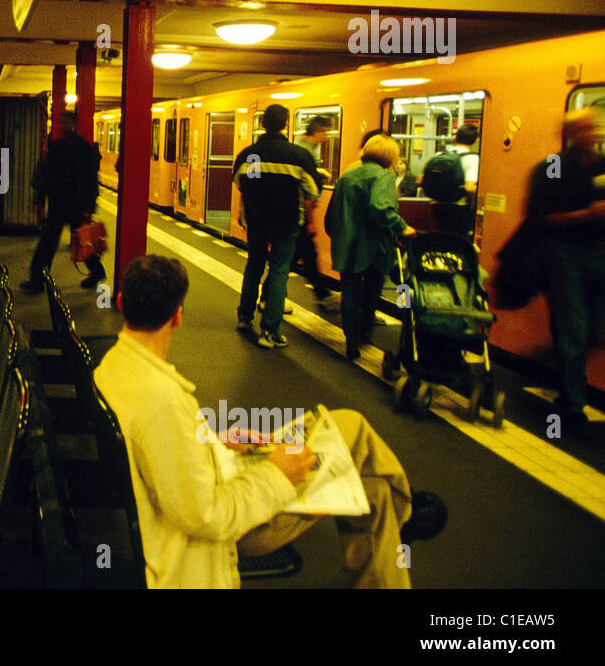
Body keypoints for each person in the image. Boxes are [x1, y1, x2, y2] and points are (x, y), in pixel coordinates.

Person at [92, 255, 444, 589]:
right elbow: (208, 516)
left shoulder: (114, 366)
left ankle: (399, 511)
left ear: (122, 301)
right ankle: (407, 509)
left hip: (211, 490)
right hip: (233, 528)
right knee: (349, 426)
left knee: (375, 493)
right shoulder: (163, 400)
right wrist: (277, 473)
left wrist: (213, 440)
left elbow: (166, 453)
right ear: (178, 316)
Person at [526, 106, 605, 437]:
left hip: (600, 254)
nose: (593, 134)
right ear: (572, 133)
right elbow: (541, 217)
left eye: (595, 128)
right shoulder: (554, 167)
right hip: (565, 256)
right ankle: (571, 406)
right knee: (573, 329)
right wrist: (587, 215)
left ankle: (559, 355)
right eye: (585, 129)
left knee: (596, 330)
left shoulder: (603, 164)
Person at [232, 104, 321, 348]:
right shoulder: (299, 156)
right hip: (287, 222)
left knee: (254, 266)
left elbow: (240, 182)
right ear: (286, 125)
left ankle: (244, 316)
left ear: (262, 124)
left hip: (257, 220)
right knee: (280, 270)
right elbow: (312, 191)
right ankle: (270, 331)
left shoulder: (249, 154)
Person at [326, 135, 416, 361]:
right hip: (374, 247)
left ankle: (351, 341)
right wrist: (402, 228)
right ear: (389, 156)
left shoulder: (346, 176)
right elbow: (380, 208)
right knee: (372, 290)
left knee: (349, 293)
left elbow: (331, 215)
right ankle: (364, 331)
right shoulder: (383, 177)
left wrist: (338, 235)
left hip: (347, 244)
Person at [22, 111, 105, 291]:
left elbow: (88, 179)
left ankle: (37, 280)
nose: (63, 126)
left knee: (50, 243)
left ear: (74, 124)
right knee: (68, 241)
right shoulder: (77, 147)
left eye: (66, 122)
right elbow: (49, 174)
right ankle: (96, 271)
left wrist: (89, 206)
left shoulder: (70, 147)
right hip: (68, 203)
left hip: (66, 203)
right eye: (61, 122)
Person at [291, 115, 338, 314]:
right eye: (325, 133)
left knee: (303, 256)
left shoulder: (299, 147)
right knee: (296, 257)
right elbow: (305, 187)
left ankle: (322, 294)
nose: (325, 137)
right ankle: (268, 296)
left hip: (296, 212)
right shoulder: (306, 151)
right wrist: (310, 220)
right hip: (301, 213)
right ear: (317, 131)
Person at [423, 123, 480, 236]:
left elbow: (421, 180)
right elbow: (469, 187)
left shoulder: (439, 154)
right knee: (458, 242)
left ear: (456, 137)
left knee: (442, 238)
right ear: (475, 141)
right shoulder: (473, 158)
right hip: (459, 208)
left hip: (436, 206)